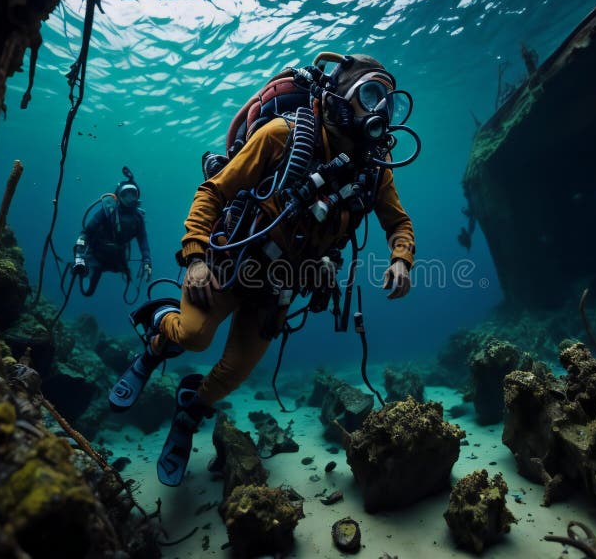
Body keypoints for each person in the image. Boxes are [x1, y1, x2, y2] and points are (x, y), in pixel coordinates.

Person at [109, 54, 417, 486]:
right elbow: (213, 192)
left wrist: (401, 258)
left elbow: (398, 222)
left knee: (234, 372)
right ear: (340, 95)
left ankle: (189, 411)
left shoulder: (374, 171)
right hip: (231, 264)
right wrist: (196, 258)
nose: (380, 111)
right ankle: (158, 337)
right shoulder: (281, 136)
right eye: (371, 94)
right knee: (195, 337)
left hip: (279, 290)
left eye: (390, 103)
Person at [72, 167, 152, 296]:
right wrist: (79, 257)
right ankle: (84, 269)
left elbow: (143, 240)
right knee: (87, 292)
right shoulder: (108, 211)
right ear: (118, 196)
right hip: (97, 255)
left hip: (117, 258)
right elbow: (87, 232)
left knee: (122, 279)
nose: (130, 198)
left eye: (133, 194)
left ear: (138, 196)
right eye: (125, 194)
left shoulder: (138, 218)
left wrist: (147, 261)